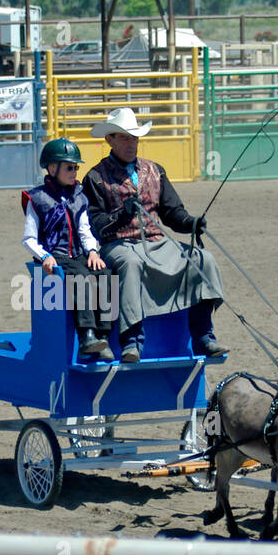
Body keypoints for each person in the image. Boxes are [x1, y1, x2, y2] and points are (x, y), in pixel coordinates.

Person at [81, 107, 228, 363]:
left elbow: (173, 213)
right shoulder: (95, 177)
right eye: (125, 137)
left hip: (157, 242)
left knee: (202, 259)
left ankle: (203, 335)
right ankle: (132, 341)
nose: (131, 143)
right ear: (110, 140)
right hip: (119, 244)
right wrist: (120, 215)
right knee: (131, 263)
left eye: (134, 137)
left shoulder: (155, 170)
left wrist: (190, 223)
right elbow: (95, 225)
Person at [22, 138, 115, 361]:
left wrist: (93, 251)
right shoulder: (38, 198)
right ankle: (87, 335)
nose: (74, 171)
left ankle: (103, 334)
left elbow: (85, 231)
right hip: (56, 257)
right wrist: (44, 256)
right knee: (80, 276)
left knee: (104, 274)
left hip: (79, 255)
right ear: (52, 168)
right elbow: (29, 238)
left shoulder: (79, 197)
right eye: (69, 167)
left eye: (76, 167)